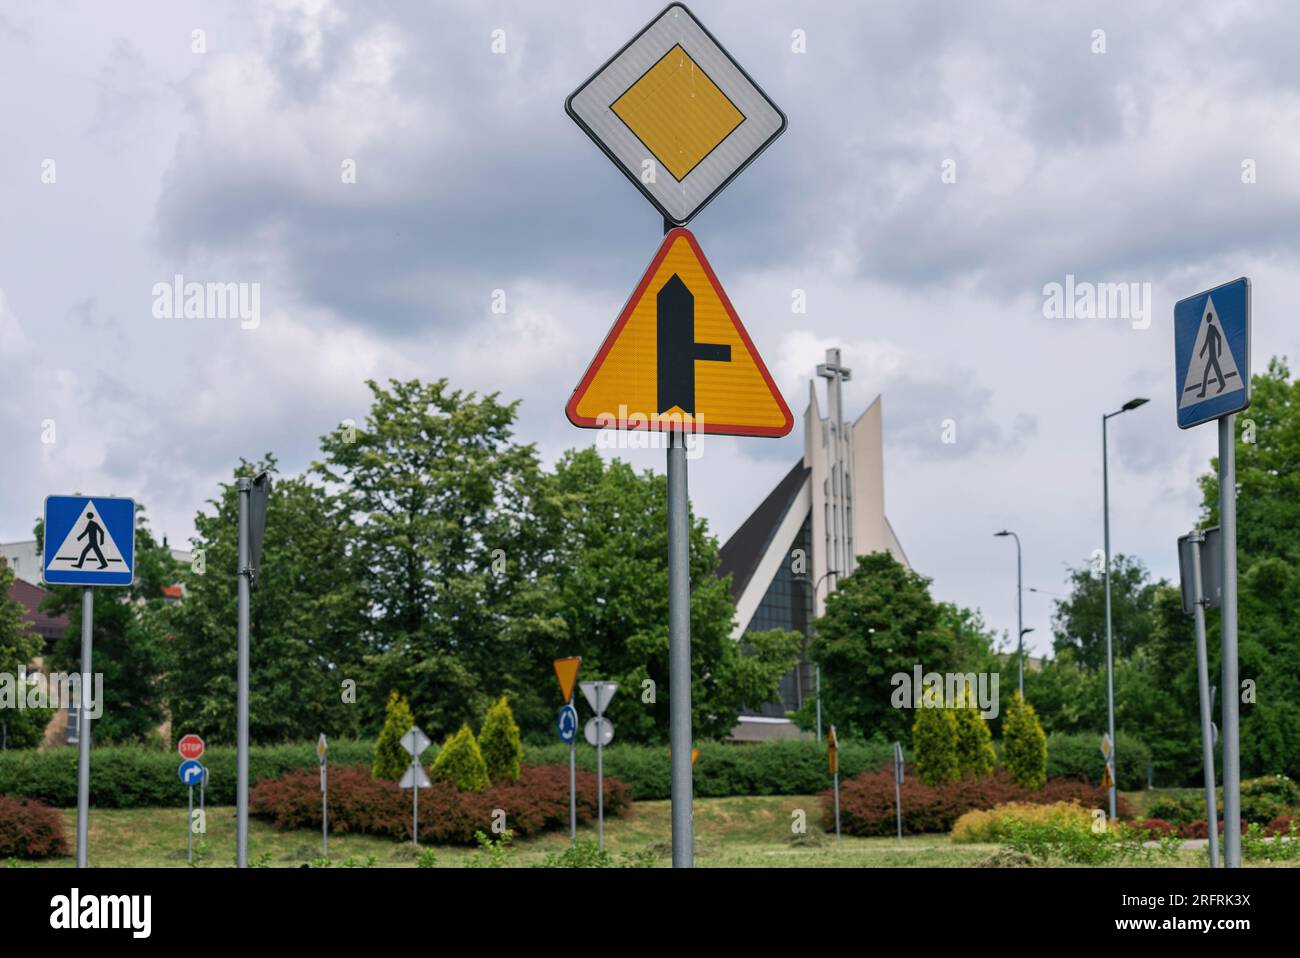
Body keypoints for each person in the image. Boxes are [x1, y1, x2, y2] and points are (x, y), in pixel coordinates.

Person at [1196, 313, 1226, 399]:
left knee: (1207, 372)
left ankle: (1204, 392)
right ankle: (1222, 384)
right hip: (1211, 355)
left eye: (1208, 317)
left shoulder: (1212, 328)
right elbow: (1206, 342)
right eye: (1207, 318)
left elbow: (1219, 337)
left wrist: (1220, 351)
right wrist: (1202, 352)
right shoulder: (1209, 328)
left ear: (1211, 318)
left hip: (1213, 354)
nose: (1207, 319)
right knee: (1214, 371)